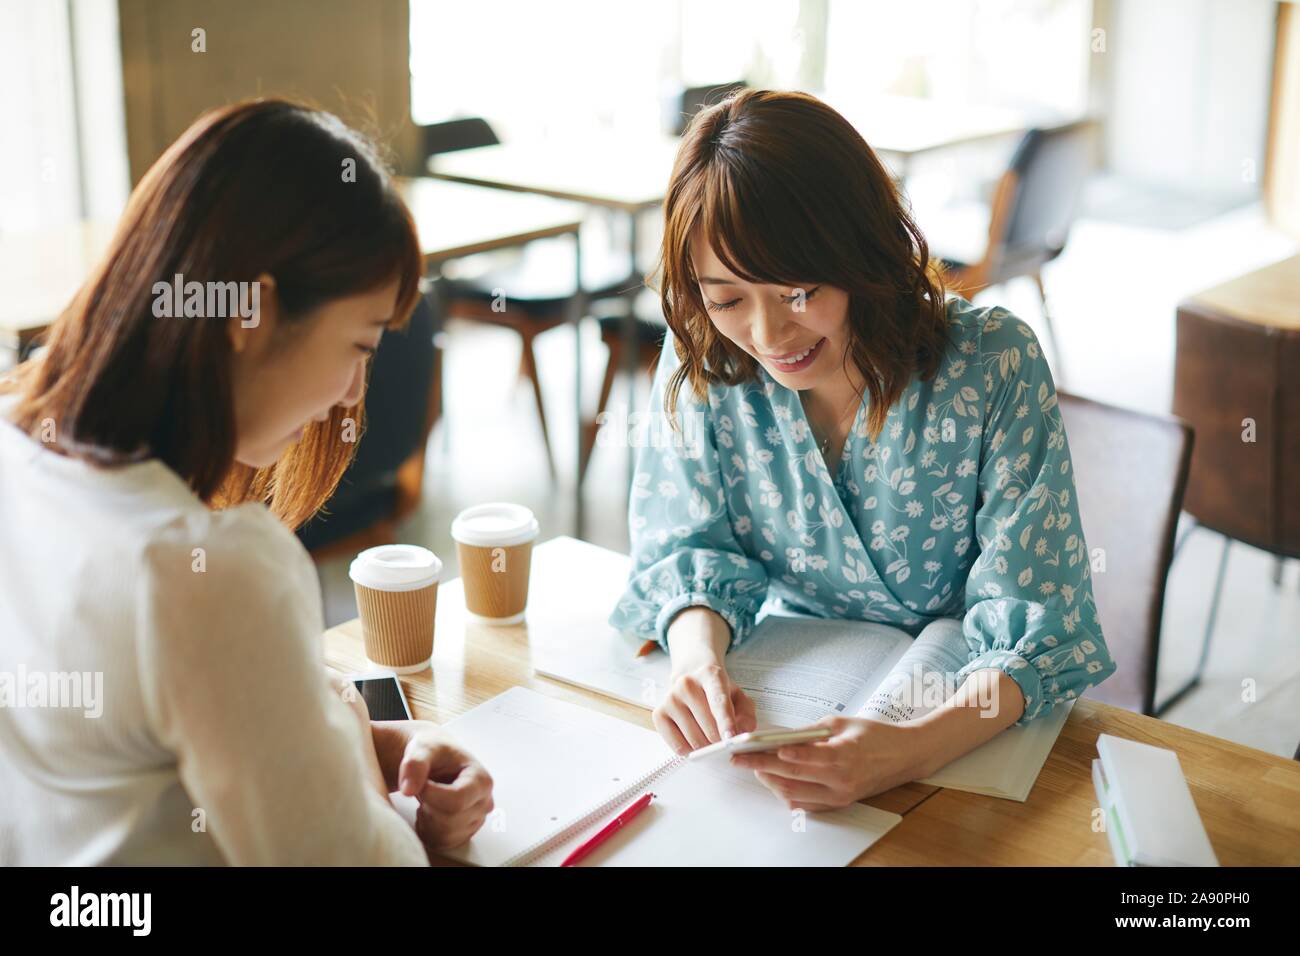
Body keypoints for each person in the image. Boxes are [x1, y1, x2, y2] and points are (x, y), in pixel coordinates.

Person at [0, 99, 492, 864]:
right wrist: (392, 809)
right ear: (252, 312)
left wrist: (349, 737)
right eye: (361, 346)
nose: (355, 395)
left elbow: (139, 748)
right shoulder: (204, 570)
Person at [610, 89, 1116, 811]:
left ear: (860, 248)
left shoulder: (993, 364)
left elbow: (1036, 622)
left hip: (966, 735)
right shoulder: (705, 356)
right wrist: (695, 661)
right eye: (727, 299)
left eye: (798, 291)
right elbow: (689, 551)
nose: (767, 336)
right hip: (791, 701)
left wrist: (906, 751)